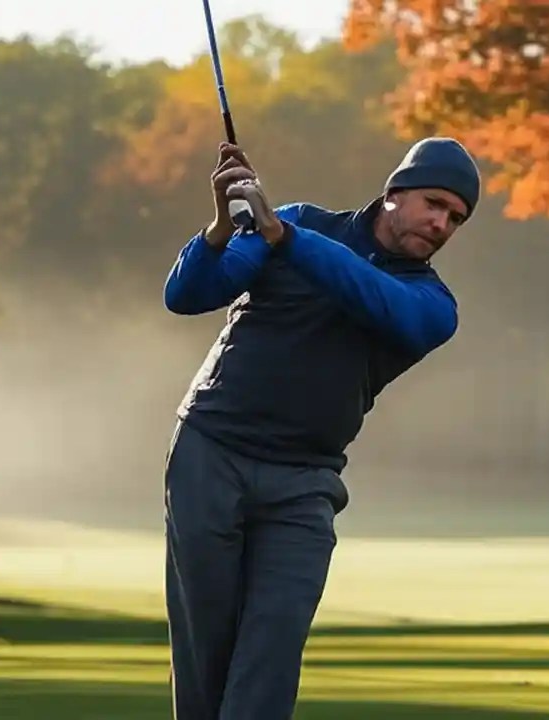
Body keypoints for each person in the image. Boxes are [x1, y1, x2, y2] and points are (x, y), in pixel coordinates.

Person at [161, 136, 481, 719]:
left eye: (455, 218)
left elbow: (371, 295)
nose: (442, 223)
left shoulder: (431, 304)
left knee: (271, 658)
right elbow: (186, 295)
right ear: (394, 193)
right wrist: (217, 227)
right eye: (434, 203)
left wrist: (285, 239)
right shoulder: (299, 222)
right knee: (204, 652)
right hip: (212, 453)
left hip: (304, 485)